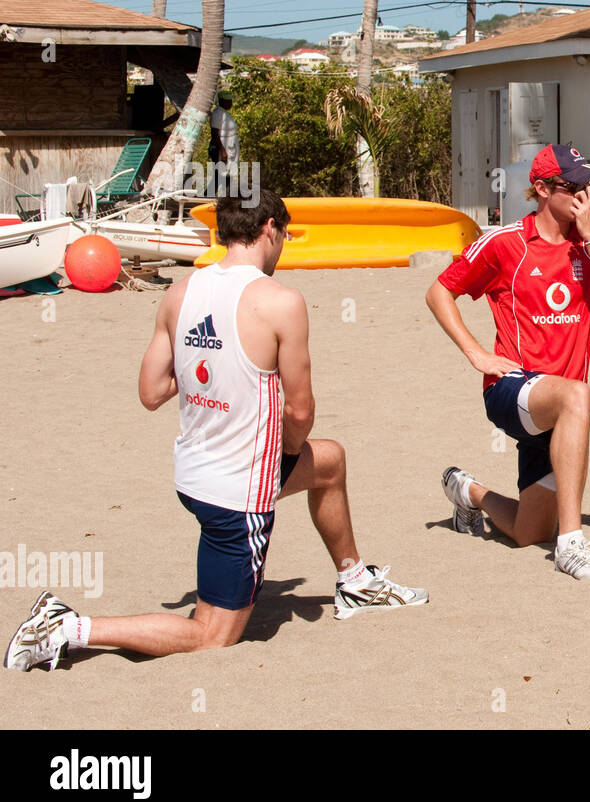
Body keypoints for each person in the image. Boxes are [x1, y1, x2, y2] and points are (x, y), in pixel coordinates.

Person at [5, 190, 427, 672]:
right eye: (285, 236)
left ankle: (354, 581)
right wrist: (278, 457)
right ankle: (68, 626)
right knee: (213, 634)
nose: (283, 246)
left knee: (328, 461)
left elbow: (150, 392)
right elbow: (301, 411)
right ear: (270, 228)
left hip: (193, 474)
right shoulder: (282, 301)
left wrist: (209, 363)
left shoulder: (181, 291)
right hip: (235, 493)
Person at [428, 144, 590, 580]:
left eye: (588, 186)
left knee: (527, 532)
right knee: (578, 395)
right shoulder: (506, 243)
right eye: (571, 186)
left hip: (558, 410)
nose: (583, 196)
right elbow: (438, 292)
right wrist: (476, 354)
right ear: (540, 189)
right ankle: (573, 544)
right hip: (512, 387)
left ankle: (468, 491)